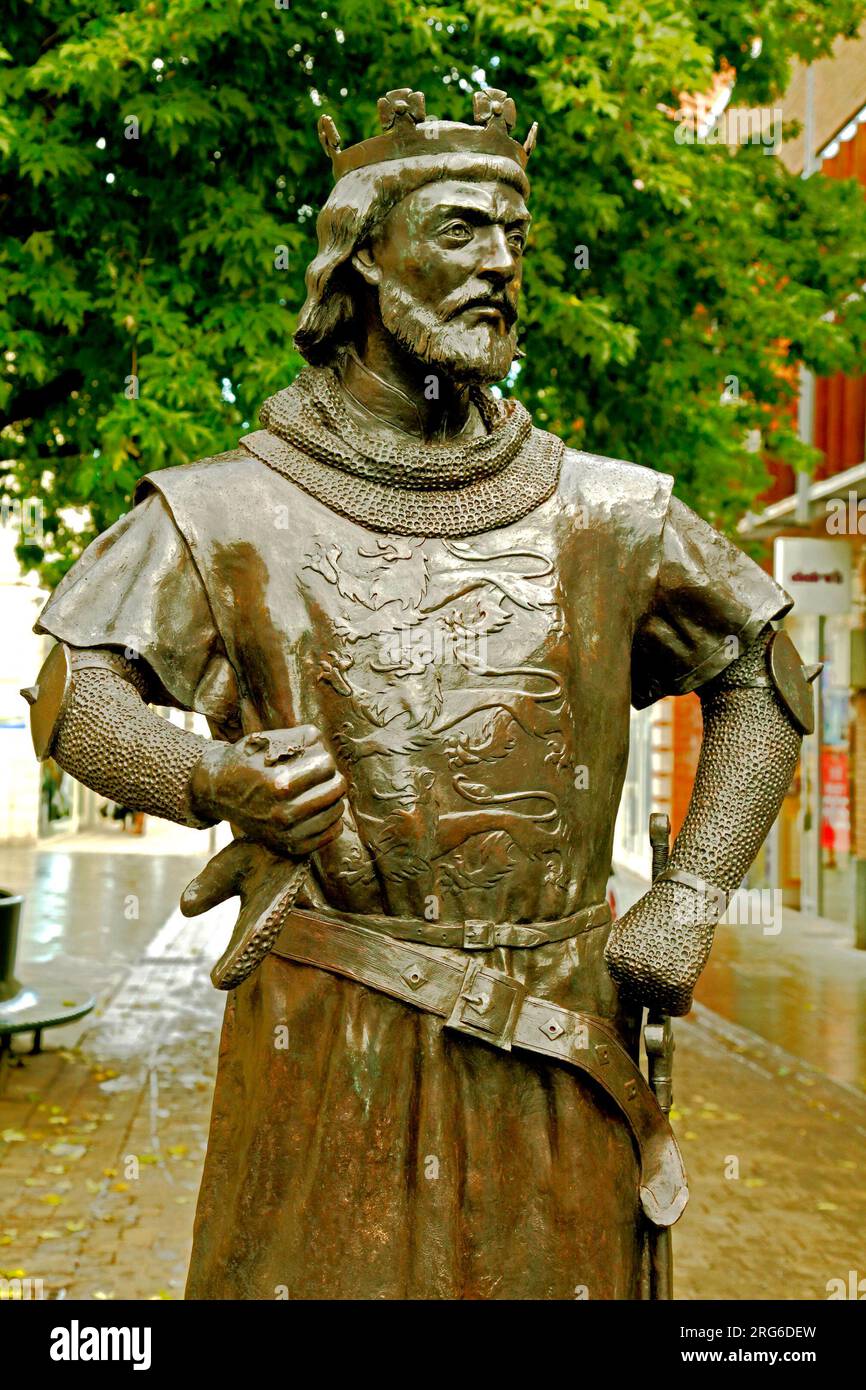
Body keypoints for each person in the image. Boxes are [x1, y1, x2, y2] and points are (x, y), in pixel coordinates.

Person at [23, 88, 815, 1299]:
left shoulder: (607, 514)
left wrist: (692, 895)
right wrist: (200, 776)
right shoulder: (225, 511)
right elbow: (76, 691)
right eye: (459, 229)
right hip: (323, 1033)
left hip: (560, 1048)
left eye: (515, 234)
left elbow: (761, 670)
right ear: (360, 254)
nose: (501, 261)